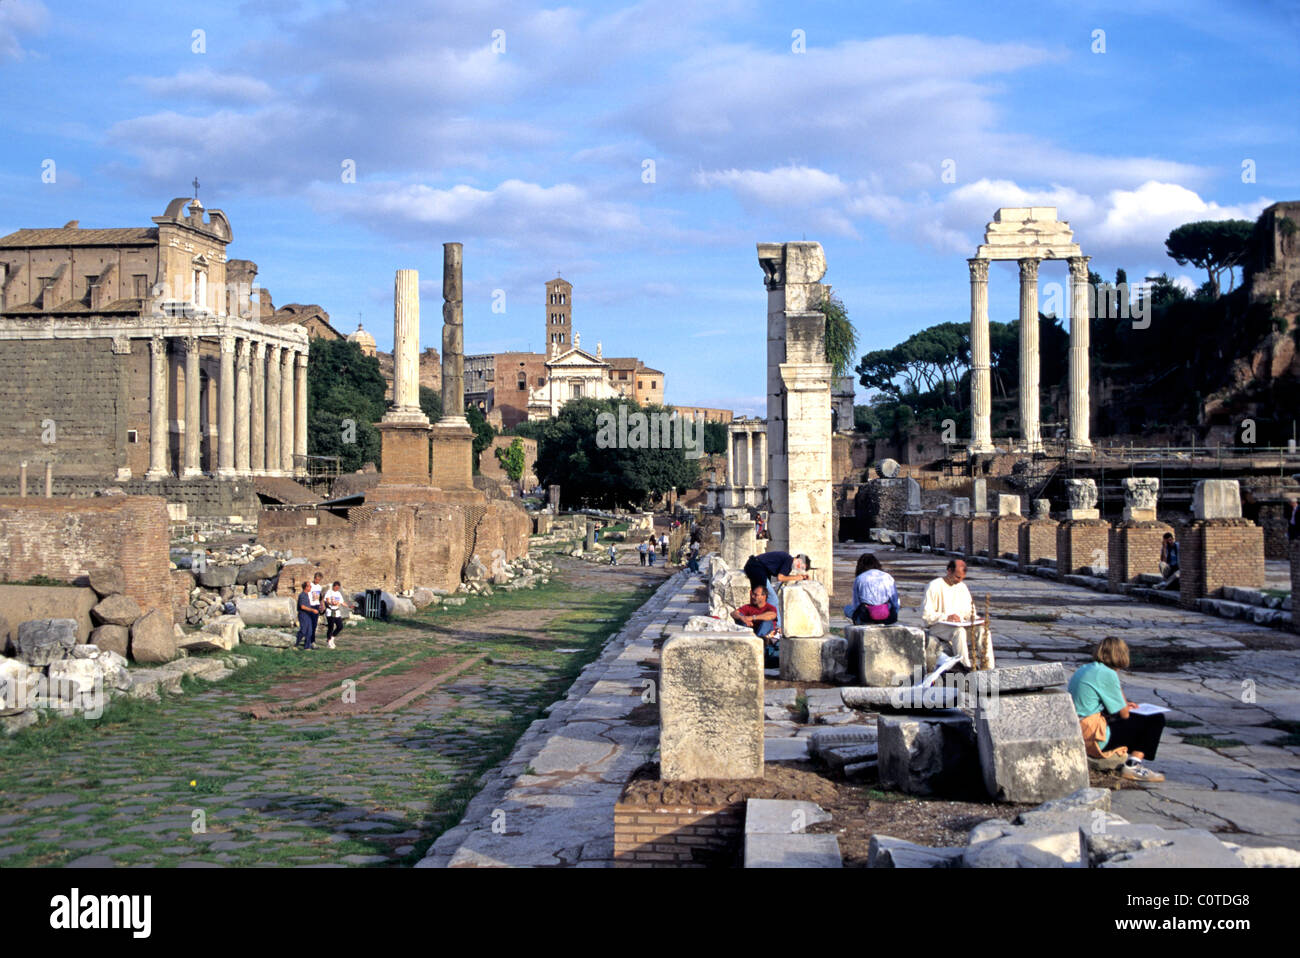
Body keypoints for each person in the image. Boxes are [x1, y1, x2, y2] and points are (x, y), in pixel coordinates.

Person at [1068, 637, 1166, 783]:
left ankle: (1130, 762)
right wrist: (1124, 702)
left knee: (1134, 720)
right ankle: (1133, 765)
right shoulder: (1107, 673)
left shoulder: (1086, 668)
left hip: (1078, 728)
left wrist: (1124, 704)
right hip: (1094, 735)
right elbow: (1124, 714)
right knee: (1155, 719)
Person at [921, 558, 976, 668]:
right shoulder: (934, 586)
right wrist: (946, 617)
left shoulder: (962, 587)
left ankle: (988, 666)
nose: (959, 581)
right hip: (939, 626)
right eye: (957, 577)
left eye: (962, 578)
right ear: (949, 571)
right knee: (959, 632)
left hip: (961, 623)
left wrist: (976, 620)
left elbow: (970, 610)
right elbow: (926, 616)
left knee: (983, 631)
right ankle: (965, 666)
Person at [742, 550, 811, 632]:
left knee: (763, 598)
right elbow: (780, 578)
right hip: (756, 568)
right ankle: (778, 627)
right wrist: (797, 577)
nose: (799, 568)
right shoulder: (789, 560)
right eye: (801, 566)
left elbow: (783, 576)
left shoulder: (787, 561)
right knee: (773, 599)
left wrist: (800, 576)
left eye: (802, 568)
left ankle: (763, 623)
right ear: (798, 559)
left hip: (755, 567)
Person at [844, 553, 899, 625]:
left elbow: (856, 605)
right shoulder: (888, 577)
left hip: (867, 617)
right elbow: (895, 602)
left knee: (847, 609)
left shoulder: (859, 579)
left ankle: (864, 622)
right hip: (886, 617)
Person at [732, 585, 780, 666]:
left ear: (764, 596)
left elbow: (772, 615)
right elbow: (734, 613)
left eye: (756, 595)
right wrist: (742, 618)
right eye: (752, 594)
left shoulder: (770, 608)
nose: (753, 596)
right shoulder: (748, 607)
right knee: (741, 621)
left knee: (766, 622)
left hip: (765, 636)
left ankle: (757, 645)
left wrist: (752, 618)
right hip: (751, 635)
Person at [322, 580, 348, 649]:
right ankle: (329, 641)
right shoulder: (329, 592)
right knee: (331, 627)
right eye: (336, 587)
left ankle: (332, 638)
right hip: (330, 611)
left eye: (338, 588)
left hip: (337, 612)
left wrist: (348, 605)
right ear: (333, 586)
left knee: (340, 626)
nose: (337, 589)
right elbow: (327, 600)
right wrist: (331, 603)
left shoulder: (338, 593)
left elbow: (342, 602)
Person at [295, 581, 318, 650]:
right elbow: (302, 607)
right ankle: (295, 643)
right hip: (303, 615)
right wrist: (312, 610)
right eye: (309, 586)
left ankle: (307, 647)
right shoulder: (302, 595)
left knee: (309, 631)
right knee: (303, 631)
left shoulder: (307, 595)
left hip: (308, 615)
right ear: (306, 587)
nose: (311, 587)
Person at [309, 572, 325, 647]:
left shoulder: (319, 587)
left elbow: (320, 597)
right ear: (314, 578)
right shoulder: (310, 585)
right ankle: (308, 640)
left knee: (314, 624)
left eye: (319, 580)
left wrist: (322, 605)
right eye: (317, 579)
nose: (317, 581)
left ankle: (312, 641)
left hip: (316, 605)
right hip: (310, 606)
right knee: (309, 624)